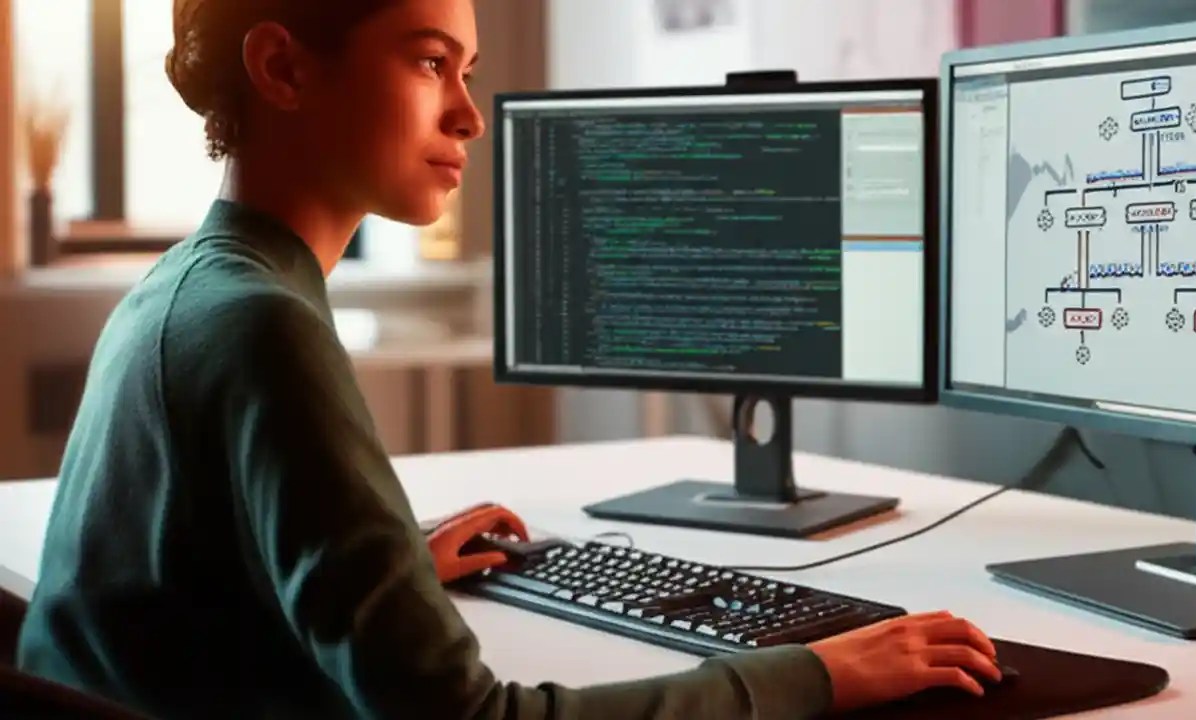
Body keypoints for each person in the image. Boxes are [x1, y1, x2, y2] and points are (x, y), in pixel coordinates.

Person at [15, 1, 1004, 718]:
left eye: (469, 71)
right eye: (428, 63)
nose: (469, 116)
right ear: (282, 69)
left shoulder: (185, 286)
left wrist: (392, 561)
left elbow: (195, 581)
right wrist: (817, 675)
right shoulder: (261, 326)